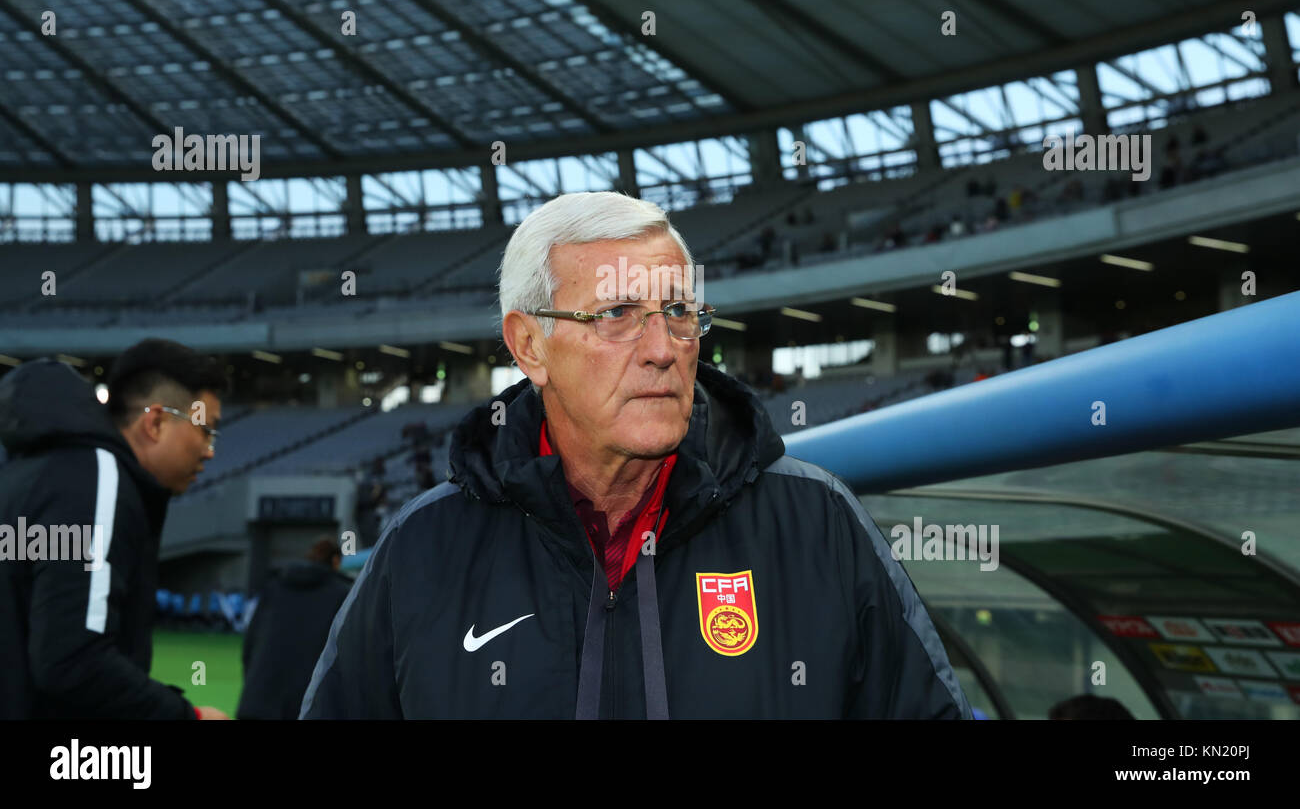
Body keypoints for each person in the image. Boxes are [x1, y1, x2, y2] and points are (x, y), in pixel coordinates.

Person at [301, 191, 971, 719]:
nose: (662, 347)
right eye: (617, 314)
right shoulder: (425, 546)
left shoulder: (818, 523)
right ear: (529, 345)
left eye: (679, 311)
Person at [0, 339, 230, 719]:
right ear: (155, 422)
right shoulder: (98, 478)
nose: (210, 450)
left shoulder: (25, 476)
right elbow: (72, 661)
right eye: (207, 430)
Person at [237, 537, 353, 720]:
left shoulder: (274, 586)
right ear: (336, 561)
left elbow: (249, 647)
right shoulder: (342, 593)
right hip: (305, 706)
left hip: (258, 701)